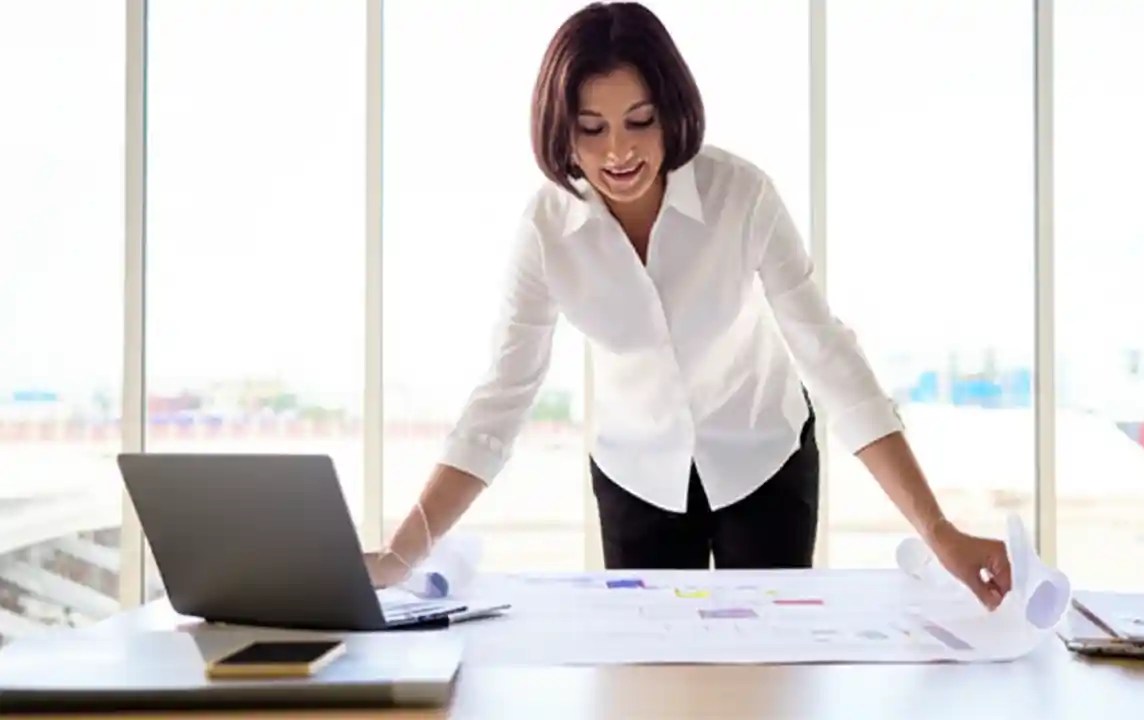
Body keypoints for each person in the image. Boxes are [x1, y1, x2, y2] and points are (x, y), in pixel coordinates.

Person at [368, 1, 1012, 610]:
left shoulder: (742, 196)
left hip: (764, 458)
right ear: (561, 133)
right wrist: (401, 556)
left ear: (672, 112)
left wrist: (939, 531)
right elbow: (500, 401)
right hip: (635, 475)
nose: (619, 152)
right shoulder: (545, 231)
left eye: (640, 121)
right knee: (654, 679)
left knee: (769, 669)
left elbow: (830, 357)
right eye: (592, 130)